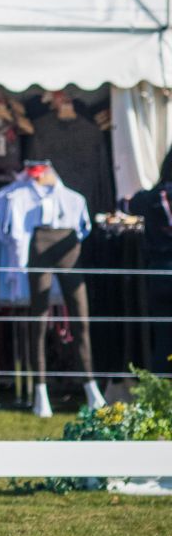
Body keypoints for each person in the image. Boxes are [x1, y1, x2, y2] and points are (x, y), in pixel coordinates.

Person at [127, 147, 172, 373]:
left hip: (159, 273)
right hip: (162, 271)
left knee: (163, 337)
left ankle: (161, 392)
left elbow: (127, 204)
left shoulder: (148, 197)